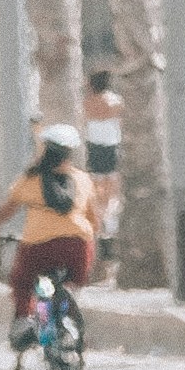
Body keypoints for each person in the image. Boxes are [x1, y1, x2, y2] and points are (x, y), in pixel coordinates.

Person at [0, 127, 98, 342]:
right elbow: (94, 218)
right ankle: (66, 307)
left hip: (39, 249)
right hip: (78, 249)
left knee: (22, 280)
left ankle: (25, 320)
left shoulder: (30, 179)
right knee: (71, 282)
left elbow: (9, 208)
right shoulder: (83, 180)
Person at [82, 68, 122, 253]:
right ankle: (108, 224)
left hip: (94, 148)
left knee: (95, 190)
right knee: (111, 191)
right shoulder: (116, 102)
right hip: (112, 147)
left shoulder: (87, 103)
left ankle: (99, 224)